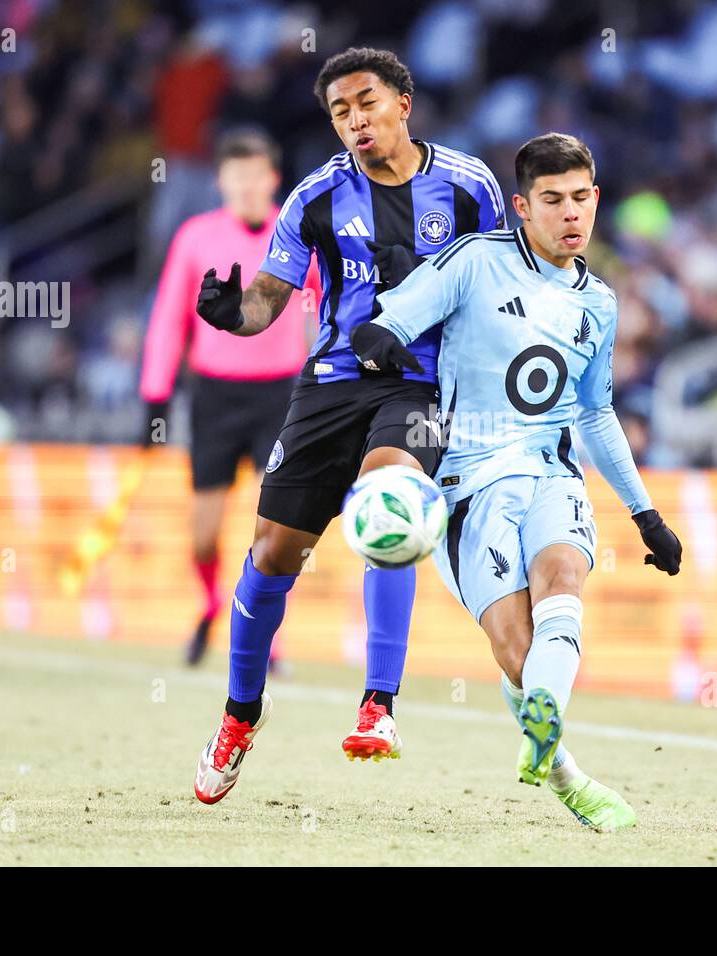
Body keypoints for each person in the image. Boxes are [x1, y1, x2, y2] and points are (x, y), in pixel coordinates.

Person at [191, 48, 505, 804]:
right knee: (271, 554)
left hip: (424, 387)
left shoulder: (470, 189)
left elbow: (500, 287)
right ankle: (240, 714)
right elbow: (271, 293)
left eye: (367, 103)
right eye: (340, 112)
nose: (355, 121)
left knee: (388, 503)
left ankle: (379, 705)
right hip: (332, 387)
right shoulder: (315, 199)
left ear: (404, 102)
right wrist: (236, 316)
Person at [351, 133, 683, 830]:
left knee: (563, 574)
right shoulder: (477, 260)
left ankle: (547, 720)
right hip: (468, 486)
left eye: (583, 199)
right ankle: (562, 769)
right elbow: (407, 307)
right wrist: (383, 334)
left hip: (551, 471)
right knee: (516, 651)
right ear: (522, 207)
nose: (572, 215)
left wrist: (644, 514)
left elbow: (596, 410)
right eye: (554, 201)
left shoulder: (600, 304)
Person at [139, 129, 317, 666]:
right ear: (220, 181)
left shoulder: (298, 231)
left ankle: (267, 636)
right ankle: (214, 602)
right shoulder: (195, 237)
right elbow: (170, 316)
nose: (246, 186)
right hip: (214, 396)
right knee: (204, 534)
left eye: (255, 175)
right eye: (235, 176)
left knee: (275, 531)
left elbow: (332, 294)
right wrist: (156, 392)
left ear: (273, 179)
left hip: (280, 394)